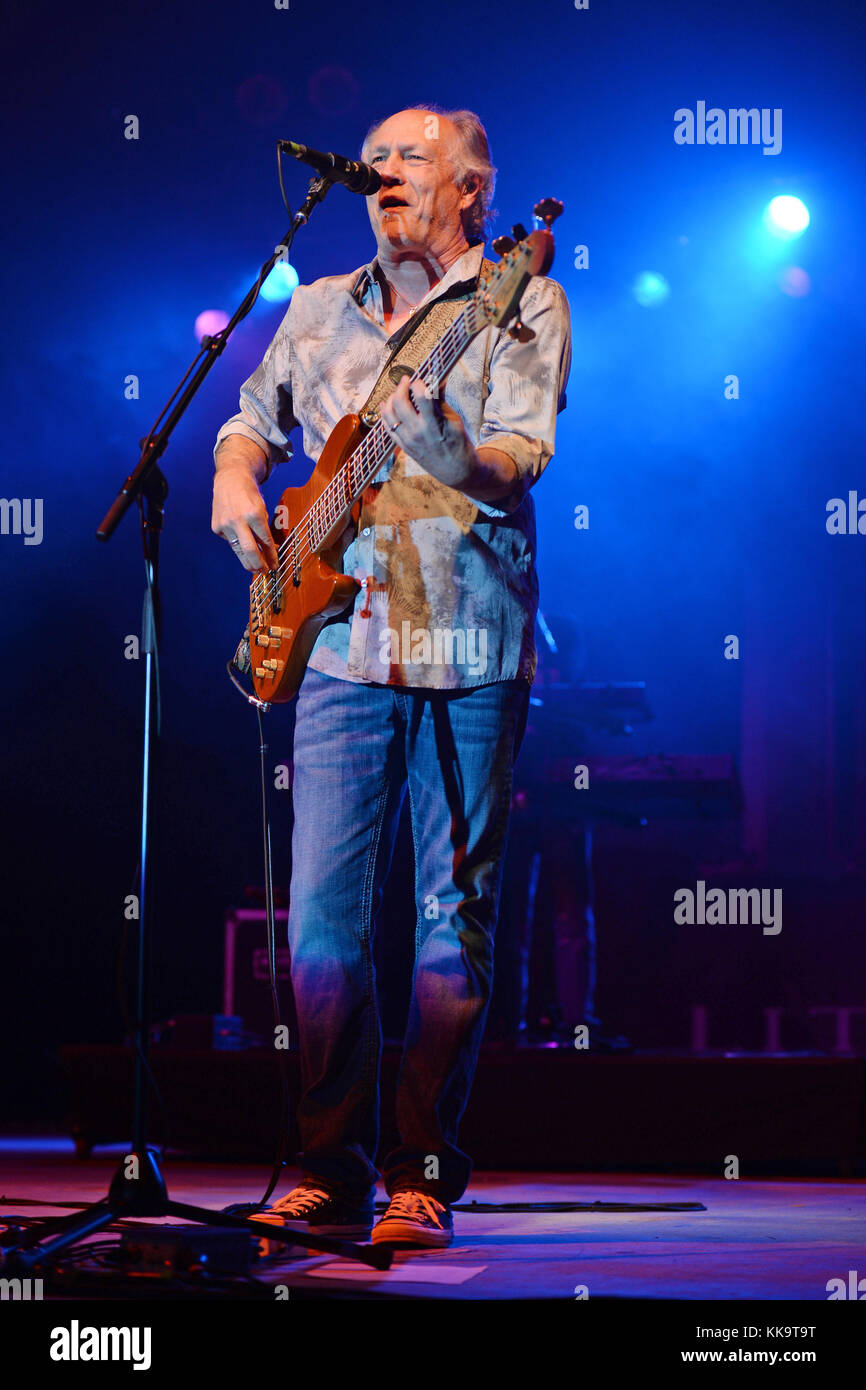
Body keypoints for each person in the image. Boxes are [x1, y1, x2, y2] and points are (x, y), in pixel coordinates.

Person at [211, 105, 571, 1248]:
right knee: (319, 928)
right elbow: (248, 423)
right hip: (336, 642)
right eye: (376, 159)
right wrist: (231, 478)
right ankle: (328, 1163)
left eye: (410, 158)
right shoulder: (317, 308)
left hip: (468, 641)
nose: (383, 174)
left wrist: (447, 454)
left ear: (472, 191)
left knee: (446, 922)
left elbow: (515, 461)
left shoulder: (519, 294)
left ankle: (421, 1169)